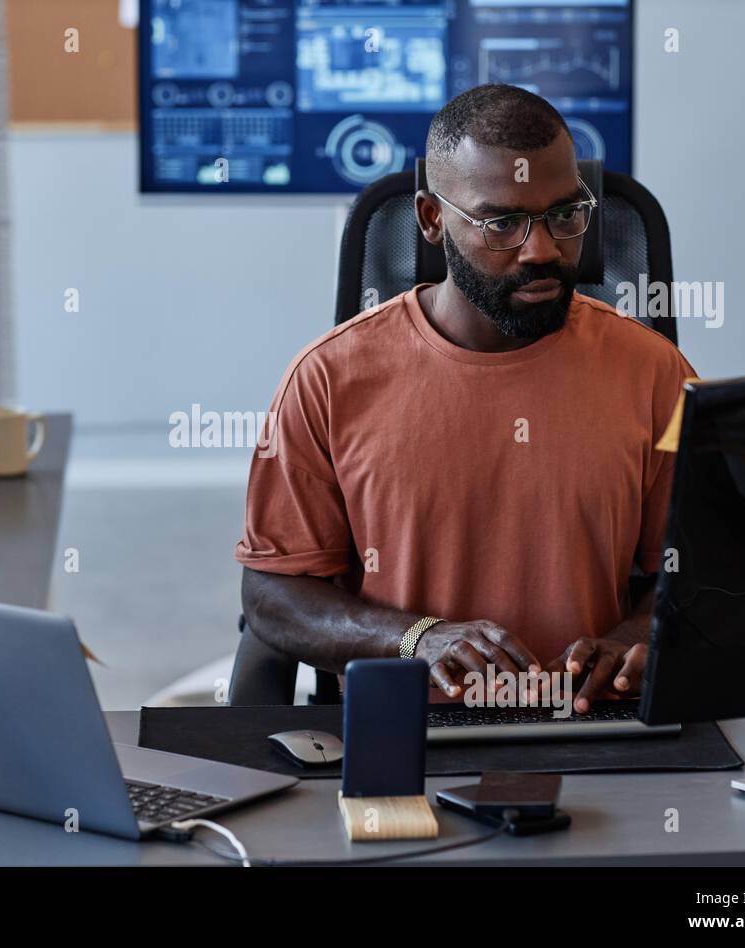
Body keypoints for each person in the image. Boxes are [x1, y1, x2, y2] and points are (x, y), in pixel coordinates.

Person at [235, 84, 696, 713]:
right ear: (431, 219)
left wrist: (632, 639)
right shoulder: (329, 379)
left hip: (592, 723)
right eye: (501, 223)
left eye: (564, 215)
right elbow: (271, 595)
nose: (542, 250)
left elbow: (693, 572)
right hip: (404, 732)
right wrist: (413, 638)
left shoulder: (654, 373)